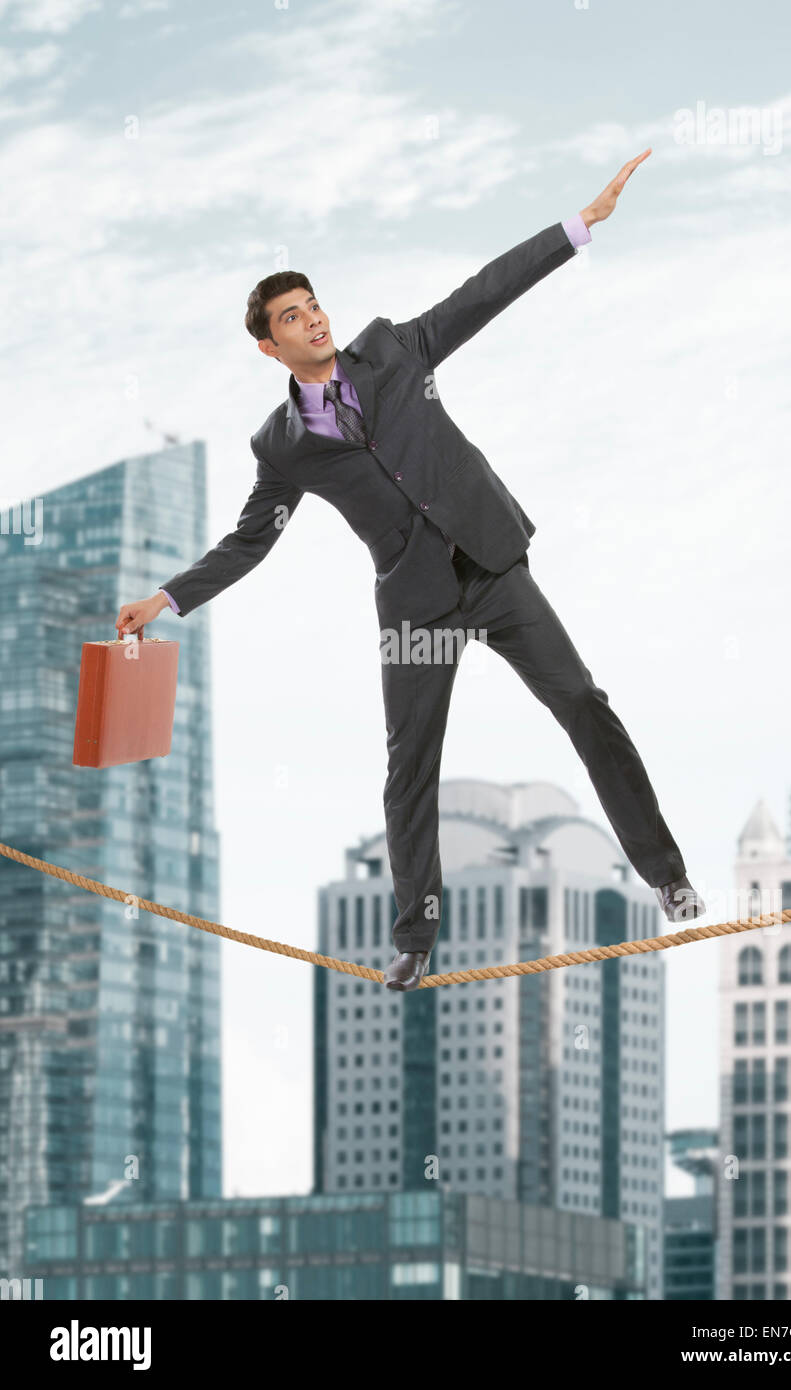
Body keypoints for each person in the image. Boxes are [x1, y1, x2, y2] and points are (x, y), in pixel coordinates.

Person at [116, 148, 706, 993]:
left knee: (582, 702)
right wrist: (166, 599)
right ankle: (415, 938)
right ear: (269, 346)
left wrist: (579, 225)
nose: (314, 321)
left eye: (314, 305)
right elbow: (252, 539)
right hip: (417, 607)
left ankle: (668, 876)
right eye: (292, 317)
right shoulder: (281, 446)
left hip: (492, 568)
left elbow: (483, 293)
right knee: (409, 771)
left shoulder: (393, 350)